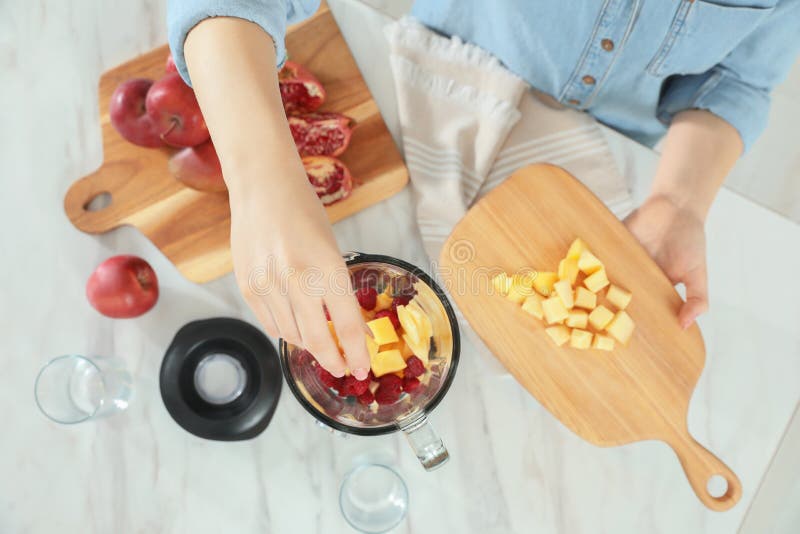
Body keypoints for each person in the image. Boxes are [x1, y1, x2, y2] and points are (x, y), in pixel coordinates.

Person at [166, 0, 800, 377]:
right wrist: (262, 183)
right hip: (441, 79)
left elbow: (738, 81)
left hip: (615, 149)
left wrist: (680, 202)